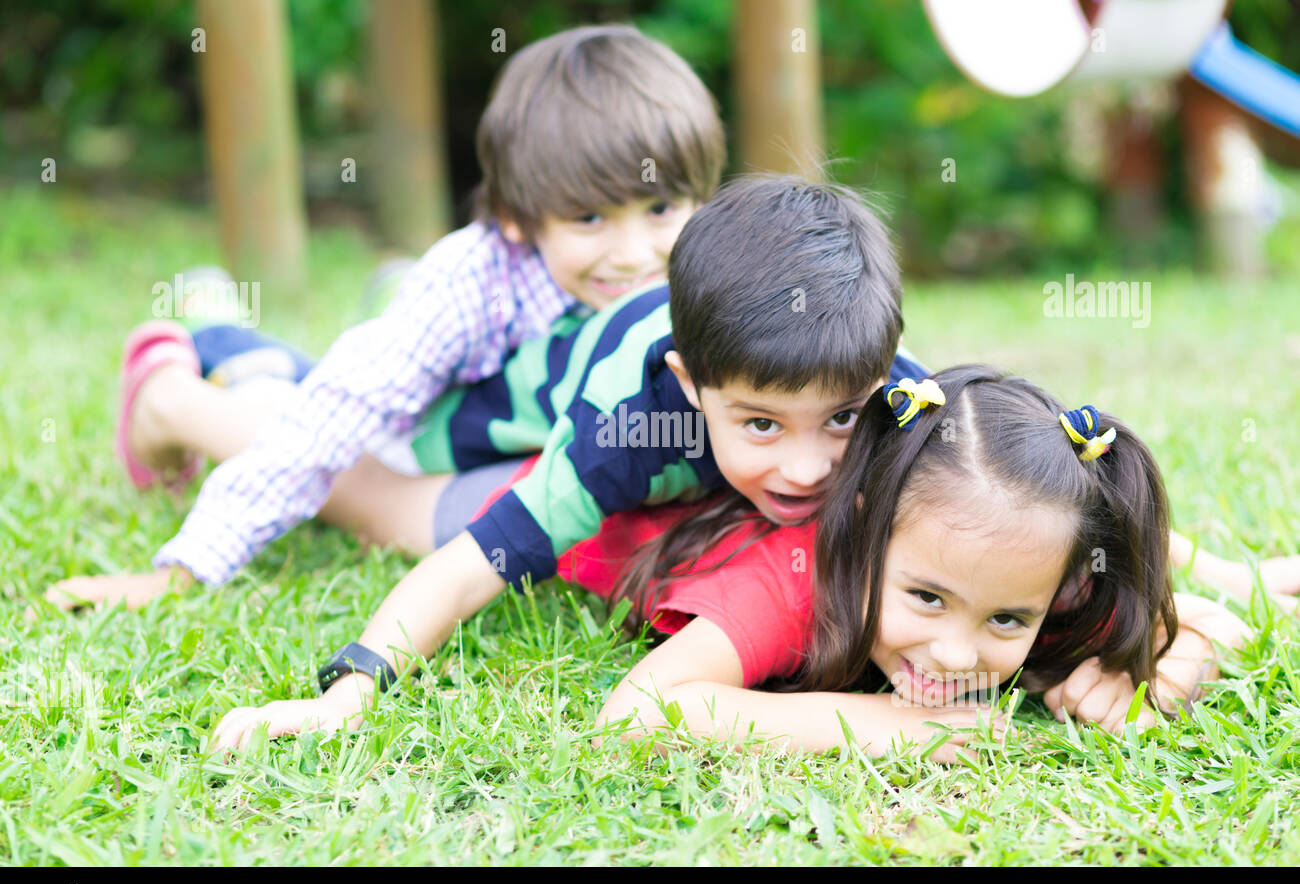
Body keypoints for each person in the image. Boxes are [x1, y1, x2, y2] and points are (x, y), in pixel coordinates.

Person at [209, 175, 926, 749]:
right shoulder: (620, 431)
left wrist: (1045, 666)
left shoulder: (892, 387)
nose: (807, 470)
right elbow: (467, 568)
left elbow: (1004, 490)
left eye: (840, 417)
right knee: (380, 430)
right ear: (689, 386)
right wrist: (353, 689)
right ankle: (239, 358)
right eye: (762, 424)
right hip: (515, 399)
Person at [44, 23, 724, 610]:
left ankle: (257, 325)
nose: (636, 253)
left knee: (313, 359)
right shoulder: (471, 285)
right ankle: (172, 385)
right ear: (518, 217)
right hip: (403, 430)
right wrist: (190, 565)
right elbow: (333, 418)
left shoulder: (690, 273)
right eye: (589, 218)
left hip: (464, 407)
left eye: (661, 209)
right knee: (301, 400)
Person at [592, 366, 1254, 762]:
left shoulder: (1019, 568)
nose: (957, 655)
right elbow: (633, 716)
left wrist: (1148, 683)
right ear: (862, 526)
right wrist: (878, 724)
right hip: (576, 521)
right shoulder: (793, 583)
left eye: (1005, 619)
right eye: (927, 599)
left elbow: (1217, 624)